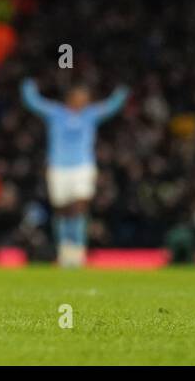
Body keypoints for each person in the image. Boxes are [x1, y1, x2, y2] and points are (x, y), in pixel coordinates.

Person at [21, 79, 128, 267]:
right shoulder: (55, 113)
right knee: (62, 210)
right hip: (58, 167)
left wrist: (122, 91)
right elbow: (34, 103)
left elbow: (111, 106)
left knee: (79, 206)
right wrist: (27, 86)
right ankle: (64, 253)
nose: (84, 101)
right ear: (71, 98)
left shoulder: (90, 115)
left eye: (86, 98)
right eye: (80, 98)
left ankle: (78, 252)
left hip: (82, 166)